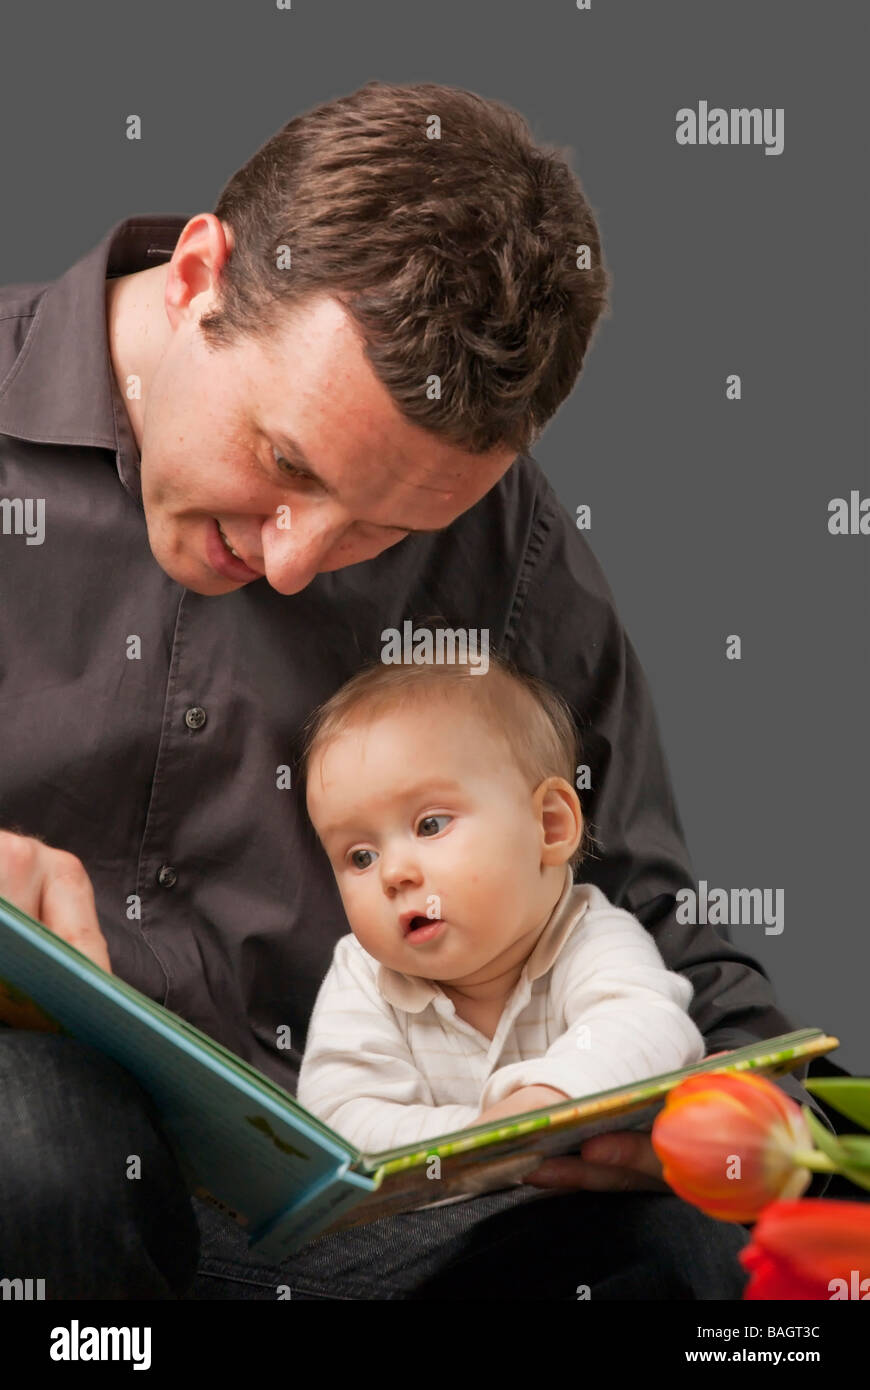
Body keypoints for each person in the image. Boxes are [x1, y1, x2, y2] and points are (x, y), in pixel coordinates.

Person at [0, 80, 831, 1300]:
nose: (289, 562)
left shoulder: (504, 550)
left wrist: (751, 1121)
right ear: (196, 278)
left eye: (384, 532)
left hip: (356, 1221)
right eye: (284, 462)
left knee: (704, 1247)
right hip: (41, 1168)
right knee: (41, 1141)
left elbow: (646, 928)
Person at [296, 654, 706, 1151]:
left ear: (549, 826)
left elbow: (647, 1027)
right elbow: (339, 1119)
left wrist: (545, 1098)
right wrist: (483, 1135)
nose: (393, 874)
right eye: (360, 856)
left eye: (430, 824)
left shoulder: (592, 937)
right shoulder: (364, 977)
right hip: (432, 1220)